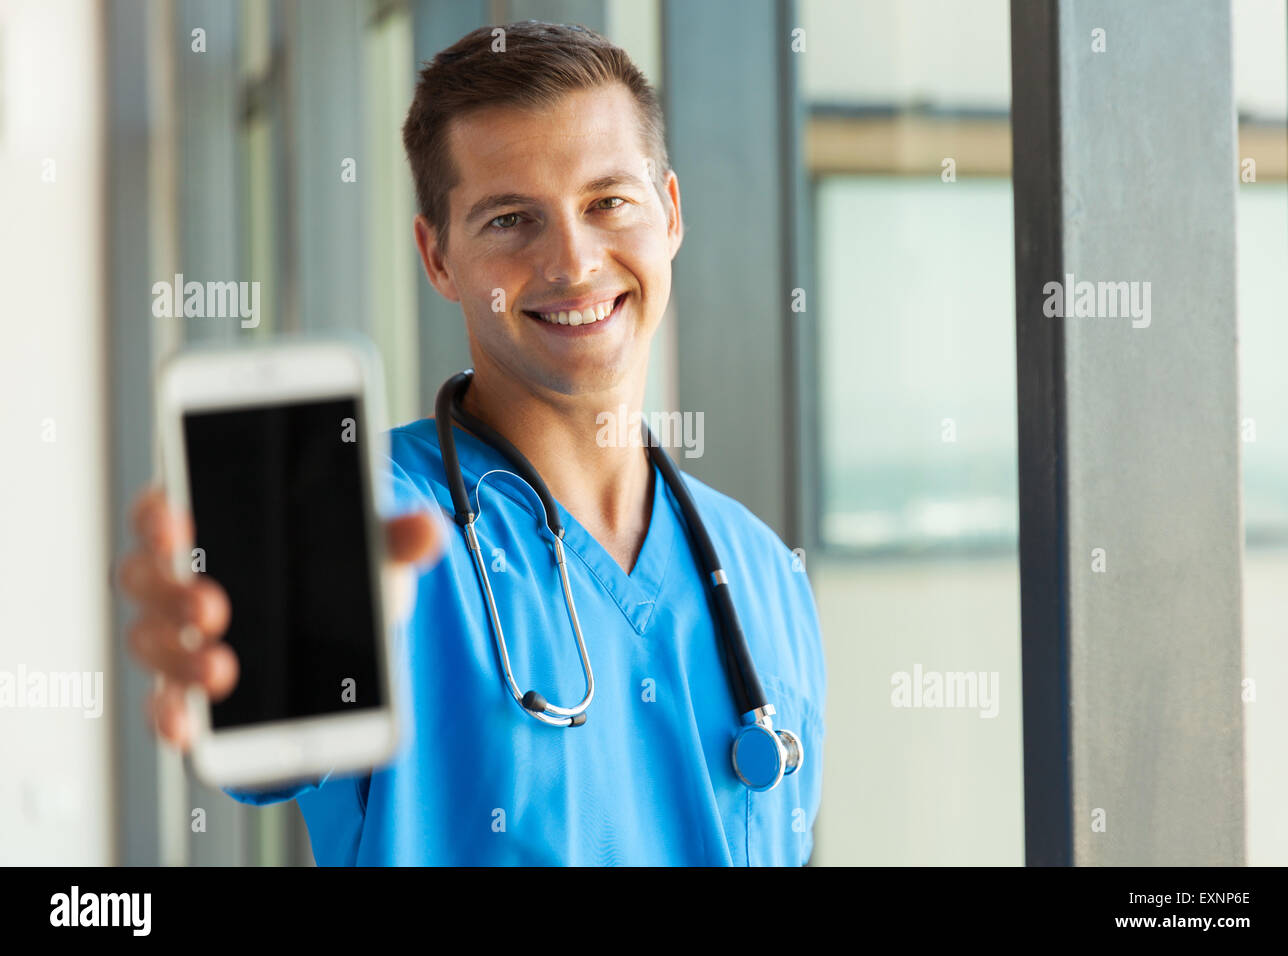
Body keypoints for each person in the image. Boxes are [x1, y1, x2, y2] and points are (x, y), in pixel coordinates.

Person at [118, 20, 826, 866]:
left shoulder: (760, 571)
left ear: (669, 214)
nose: (573, 261)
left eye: (608, 202)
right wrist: (251, 620)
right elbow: (283, 626)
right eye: (509, 219)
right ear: (438, 257)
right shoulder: (384, 518)